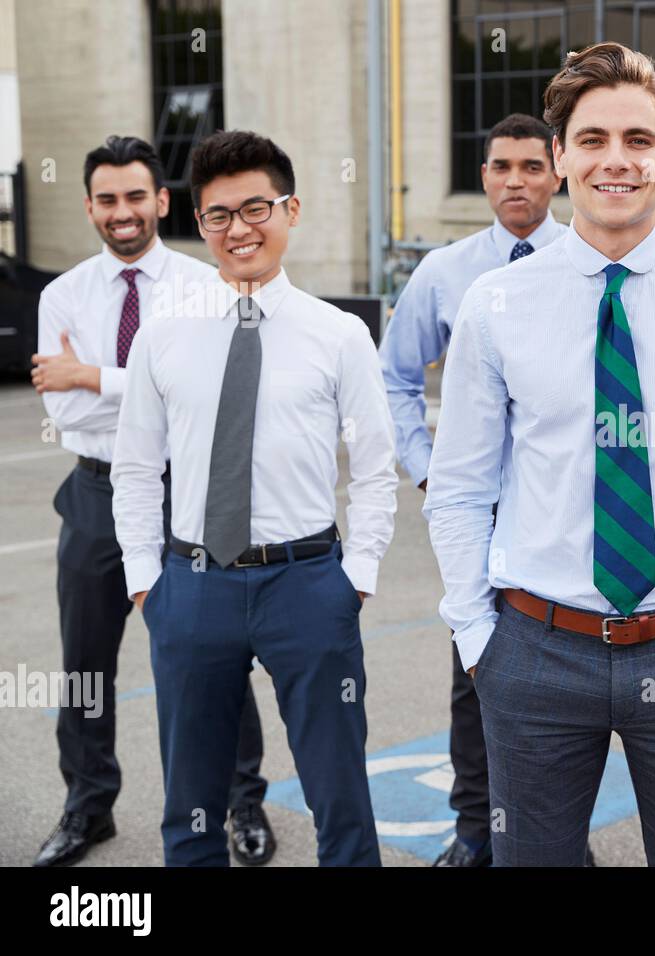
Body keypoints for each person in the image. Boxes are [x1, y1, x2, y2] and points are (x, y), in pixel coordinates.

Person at [425, 42, 655, 867]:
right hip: (532, 651)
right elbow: (457, 489)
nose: (616, 161)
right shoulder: (495, 306)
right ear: (560, 156)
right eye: (592, 139)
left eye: (638, 140)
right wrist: (477, 640)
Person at [112, 130, 398, 866]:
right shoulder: (164, 335)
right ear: (200, 223)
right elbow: (137, 466)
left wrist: (356, 577)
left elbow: (372, 466)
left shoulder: (338, 335)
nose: (239, 229)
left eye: (256, 208)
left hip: (306, 585)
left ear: (290, 210)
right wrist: (146, 581)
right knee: (193, 806)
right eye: (218, 215)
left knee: (340, 798)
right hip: (192, 587)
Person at [29, 135, 275, 867]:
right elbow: (68, 414)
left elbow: (198, 406)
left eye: (136, 196)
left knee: (215, 653)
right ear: (90, 208)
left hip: (190, 493)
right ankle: (87, 806)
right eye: (107, 199)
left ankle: (243, 803)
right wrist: (121, 383)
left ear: (162, 201)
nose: (123, 212)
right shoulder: (62, 295)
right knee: (85, 663)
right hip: (97, 491)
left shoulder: (205, 288)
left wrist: (91, 375)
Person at [377, 113, 573, 867]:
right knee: (477, 667)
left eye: (531, 165)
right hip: (480, 509)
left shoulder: (589, 261)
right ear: (485, 176)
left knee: (569, 676)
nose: (516, 181)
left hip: (563, 504)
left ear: (556, 172)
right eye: (500, 167)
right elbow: (394, 376)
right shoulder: (445, 273)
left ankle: (557, 834)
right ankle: (473, 833)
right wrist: (427, 469)